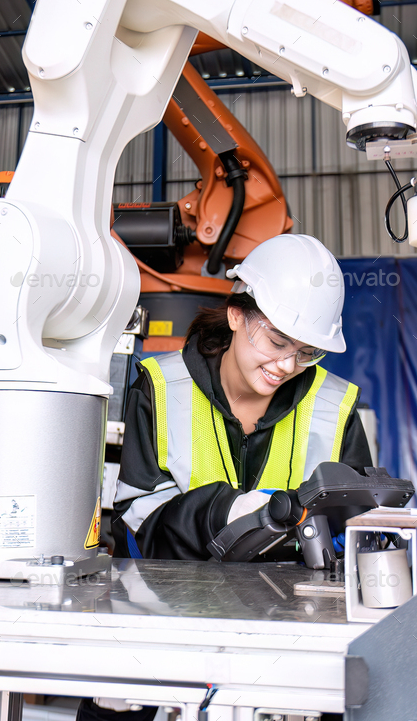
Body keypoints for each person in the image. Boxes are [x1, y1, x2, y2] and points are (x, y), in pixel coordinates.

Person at [112, 233, 372, 560]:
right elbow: (135, 528)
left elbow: (358, 527)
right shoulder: (160, 389)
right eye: (276, 342)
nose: (287, 365)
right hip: (179, 592)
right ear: (236, 314)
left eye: (307, 352)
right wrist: (223, 512)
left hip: (293, 593)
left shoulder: (335, 406)